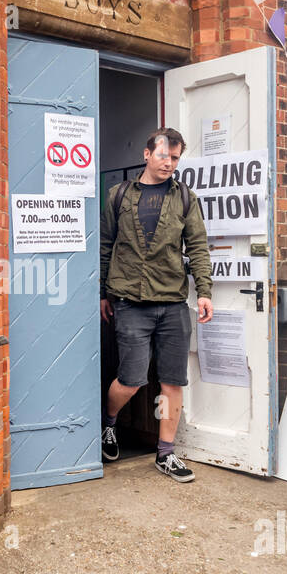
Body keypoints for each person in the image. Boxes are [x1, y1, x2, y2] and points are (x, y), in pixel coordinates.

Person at [99, 127, 213, 482]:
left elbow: (197, 246)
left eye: (175, 157)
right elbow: (105, 246)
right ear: (147, 154)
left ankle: (165, 454)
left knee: (171, 381)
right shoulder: (118, 195)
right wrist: (104, 292)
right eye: (163, 155)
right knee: (131, 379)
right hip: (131, 301)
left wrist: (205, 290)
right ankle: (110, 422)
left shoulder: (185, 199)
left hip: (173, 302)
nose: (168, 163)